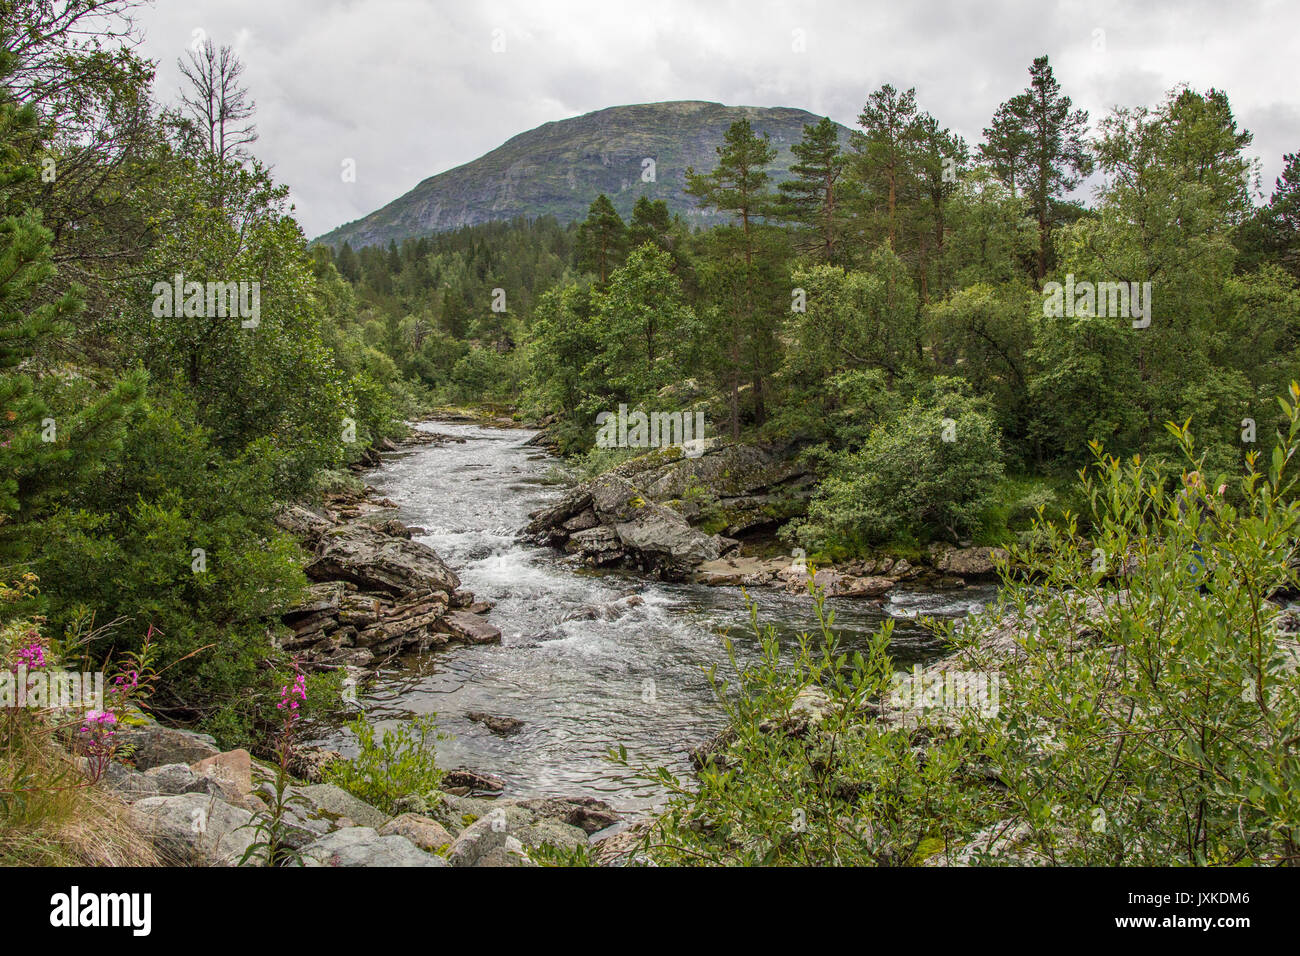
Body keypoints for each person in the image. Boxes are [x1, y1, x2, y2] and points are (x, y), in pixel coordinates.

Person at [1177, 471, 1226, 590]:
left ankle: (1183, 588)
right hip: (1196, 532)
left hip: (1183, 530)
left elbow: (1199, 504)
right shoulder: (1197, 493)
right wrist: (1219, 494)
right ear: (1196, 481)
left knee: (1185, 560)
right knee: (1198, 561)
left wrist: (1207, 498)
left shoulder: (1181, 493)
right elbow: (1213, 509)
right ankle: (1194, 590)